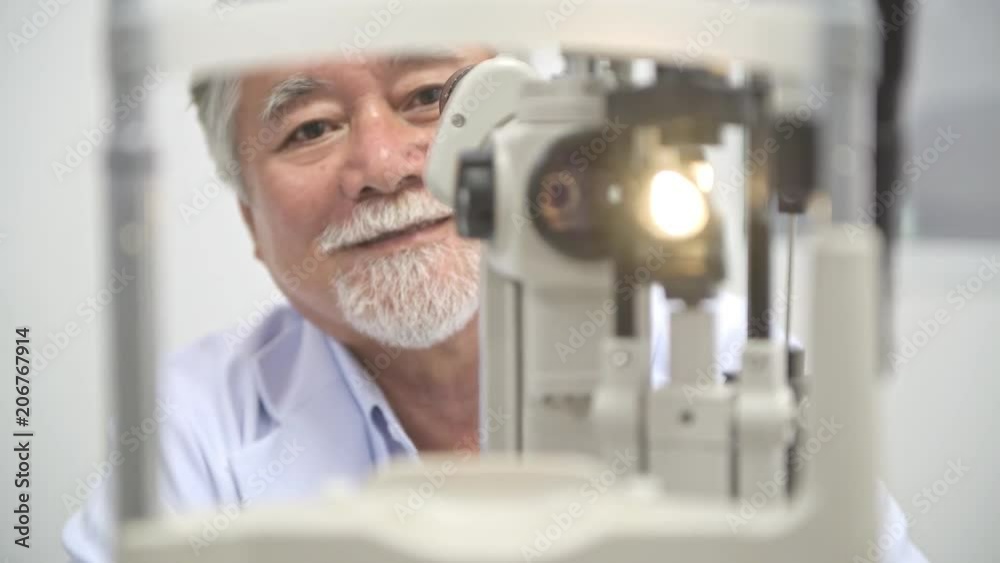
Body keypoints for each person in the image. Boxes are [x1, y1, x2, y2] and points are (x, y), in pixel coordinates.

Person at [62, 47, 927, 562]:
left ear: (544, 122)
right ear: (251, 220)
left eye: (433, 97)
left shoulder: (734, 362)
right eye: (311, 127)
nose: (387, 163)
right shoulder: (189, 434)